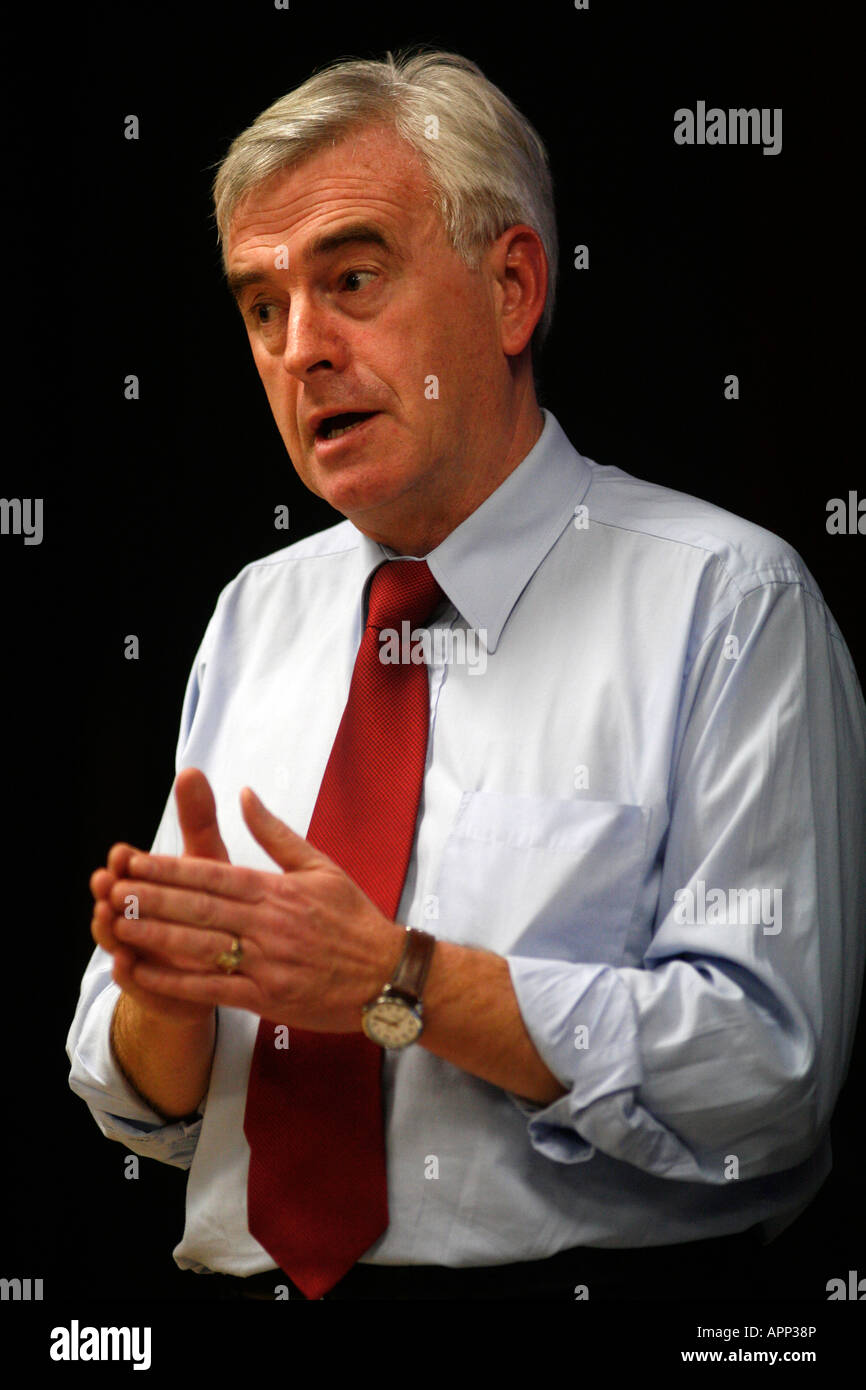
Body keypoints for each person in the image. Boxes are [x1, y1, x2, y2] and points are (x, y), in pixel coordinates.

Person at [68, 48, 866, 1302]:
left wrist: (401, 983)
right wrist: (170, 991)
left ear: (509, 289)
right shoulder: (253, 613)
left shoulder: (725, 600)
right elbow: (143, 1099)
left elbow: (764, 1077)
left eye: (351, 279)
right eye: (261, 307)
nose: (301, 349)